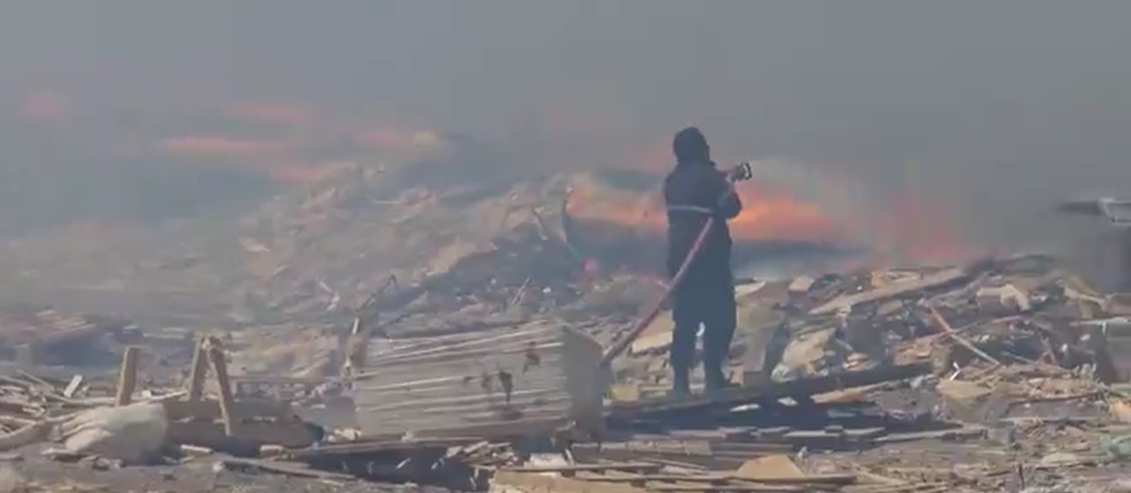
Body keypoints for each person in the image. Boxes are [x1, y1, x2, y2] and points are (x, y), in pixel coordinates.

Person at [662, 126, 743, 397]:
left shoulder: (671, 182)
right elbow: (733, 208)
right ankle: (713, 376)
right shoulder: (712, 179)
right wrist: (728, 180)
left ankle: (680, 383)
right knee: (720, 317)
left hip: (680, 262)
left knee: (685, 320)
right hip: (709, 259)